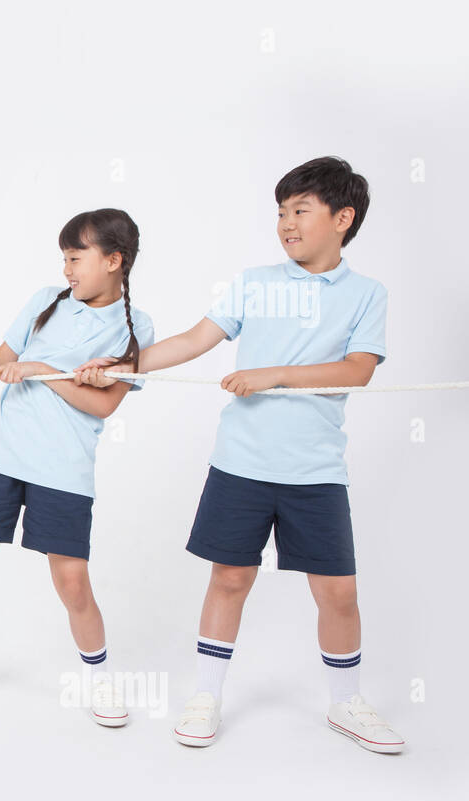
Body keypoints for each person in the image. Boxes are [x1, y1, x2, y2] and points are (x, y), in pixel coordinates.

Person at [74, 157, 403, 753]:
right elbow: (193, 340)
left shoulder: (368, 294)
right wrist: (124, 365)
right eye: (281, 212)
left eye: (301, 210)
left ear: (343, 218)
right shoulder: (255, 282)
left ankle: (347, 702)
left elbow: (358, 370)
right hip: (240, 466)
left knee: (339, 593)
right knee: (229, 578)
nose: (287, 223)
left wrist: (274, 374)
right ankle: (206, 696)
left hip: (316, 472)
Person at [0, 209, 154, 726]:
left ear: (113, 261)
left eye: (76, 258)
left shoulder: (137, 327)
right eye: (64, 258)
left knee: (73, 582)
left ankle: (100, 684)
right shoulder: (46, 303)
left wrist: (42, 371)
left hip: (63, 471)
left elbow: (104, 406)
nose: (67, 269)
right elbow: (0, 363)